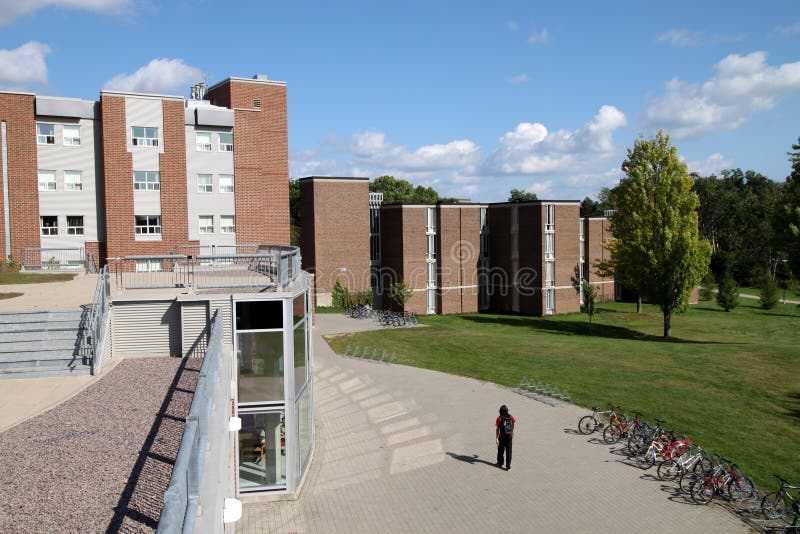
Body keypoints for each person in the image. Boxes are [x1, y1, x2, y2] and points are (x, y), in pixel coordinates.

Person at [495, 404, 515, 470]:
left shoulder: (499, 418)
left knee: (500, 450)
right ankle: (508, 466)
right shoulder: (511, 417)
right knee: (509, 451)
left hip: (502, 436)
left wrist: (497, 438)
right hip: (509, 436)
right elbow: (513, 424)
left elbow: (497, 429)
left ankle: (500, 463)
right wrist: (512, 432)